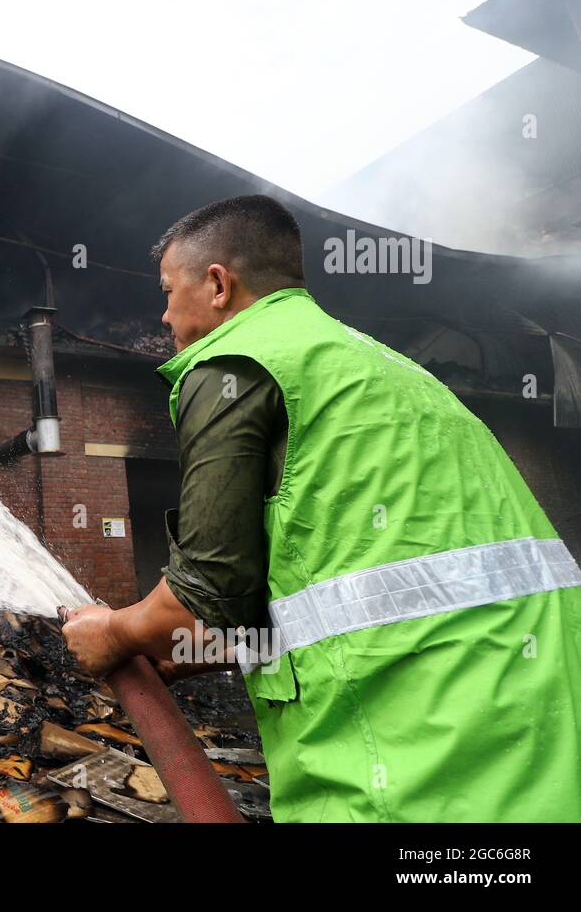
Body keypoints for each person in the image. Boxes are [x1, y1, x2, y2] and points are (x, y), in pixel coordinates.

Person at [61, 194, 581, 822]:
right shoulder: (383, 366)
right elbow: (367, 580)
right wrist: (205, 649)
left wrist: (113, 632)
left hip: (415, 740)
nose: (166, 314)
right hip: (543, 703)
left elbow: (210, 588)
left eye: (169, 290)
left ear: (219, 284)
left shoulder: (231, 364)